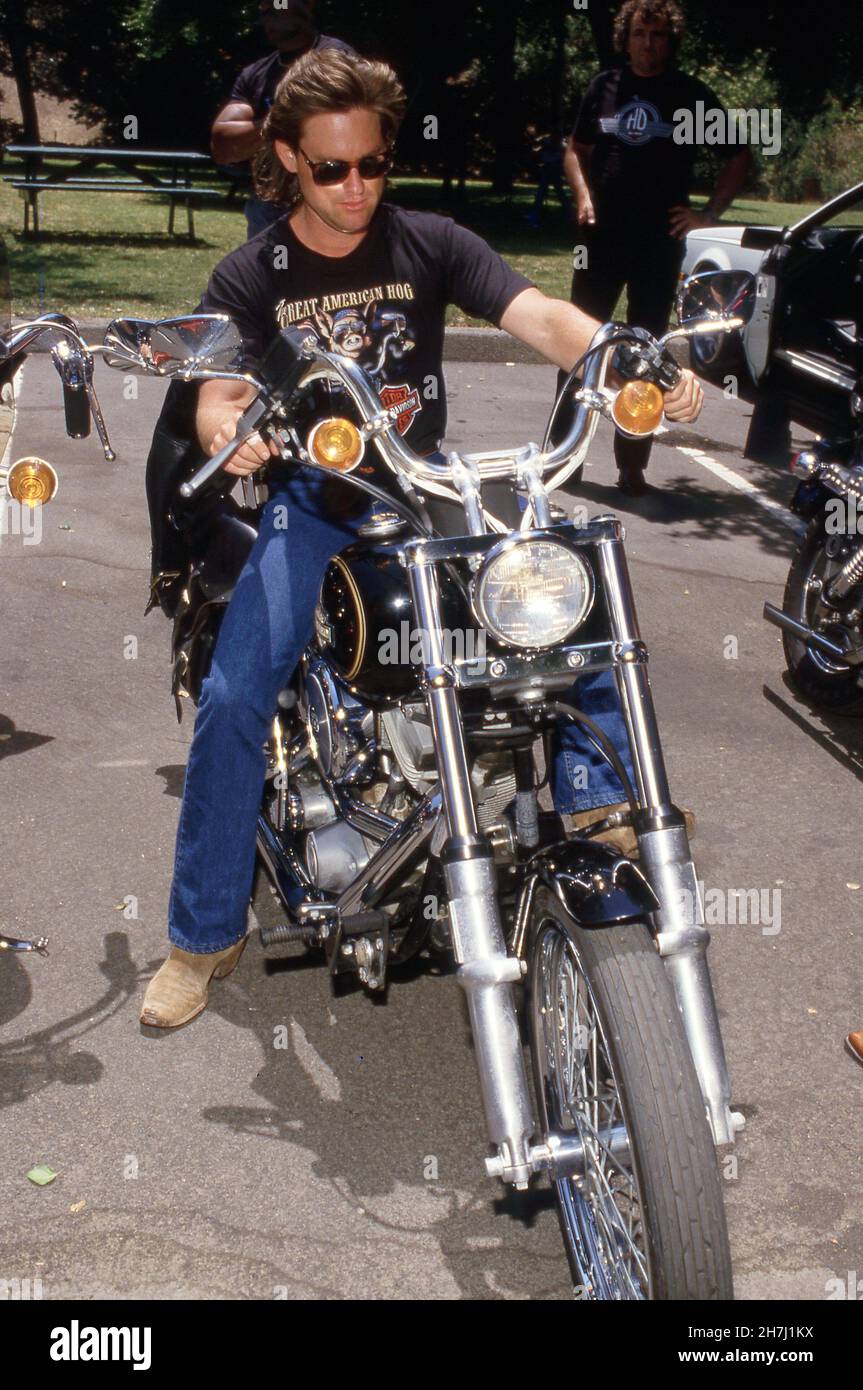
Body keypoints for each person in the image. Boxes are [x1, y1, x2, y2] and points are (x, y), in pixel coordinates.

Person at [140, 48, 704, 1030]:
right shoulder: (250, 271)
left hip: (427, 492)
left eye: (371, 164)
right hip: (314, 501)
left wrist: (623, 359)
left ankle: (602, 812)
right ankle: (202, 934)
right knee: (235, 694)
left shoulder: (431, 242)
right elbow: (215, 391)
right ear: (285, 157)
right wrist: (233, 432)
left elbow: (542, 318)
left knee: (565, 582)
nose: (354, 187)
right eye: (329, 169)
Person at [559, 0, 750, 495]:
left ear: (671, 40)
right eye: (641, 33)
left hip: (657, 246)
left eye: (659, 34)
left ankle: (632, 467)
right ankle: (564, 459)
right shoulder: (603, 87)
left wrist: (708, 215)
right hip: (601, 241)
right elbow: (575, 151)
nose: (649, 43)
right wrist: (582, 195)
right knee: (579, 348)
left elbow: (737, 155)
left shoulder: (689, 95)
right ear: (626, 37)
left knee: (647, 354)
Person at [211, 0, 354, 239]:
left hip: (328, 201)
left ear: (307, 6)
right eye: (264, 12)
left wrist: (262, 130)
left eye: (277, 9)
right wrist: (282, 120)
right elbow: (223, 145)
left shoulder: (337, 60)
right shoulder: (255, 74)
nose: (268, 19)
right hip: (269, 207)